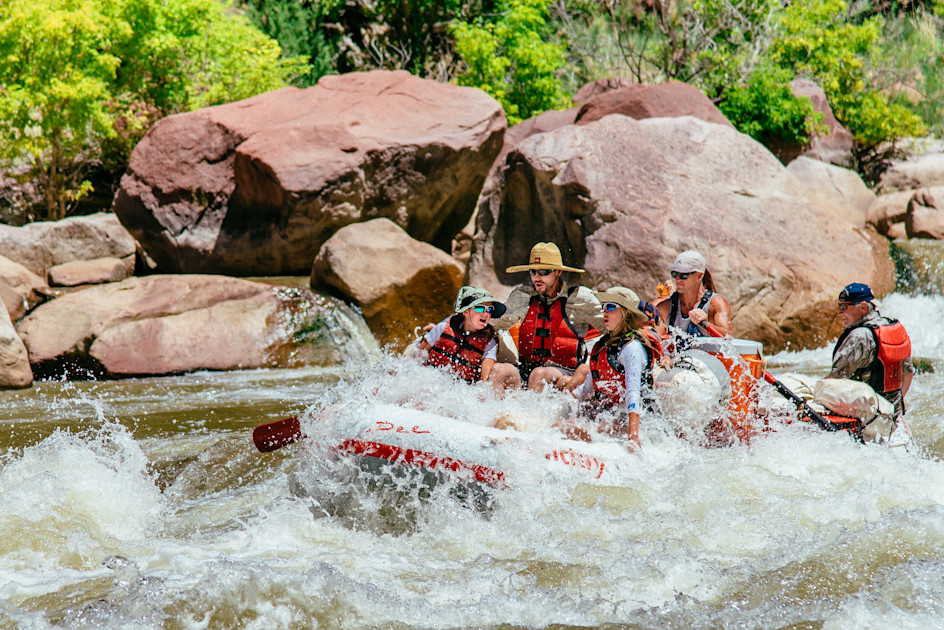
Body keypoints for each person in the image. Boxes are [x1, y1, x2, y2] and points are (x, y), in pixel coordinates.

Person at [489, 242, 605, 392]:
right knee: (498, 370)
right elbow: (495, 322)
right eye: (533, 271)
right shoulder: (523, 296)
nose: (537, 277)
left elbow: (610, 327)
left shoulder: (580, 298)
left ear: (558, 272)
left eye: (544, 271)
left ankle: (535, 416)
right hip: (526, 370)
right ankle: (498, 415)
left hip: (565, 374)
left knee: (539, 374)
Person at [568, 287, 662, 452]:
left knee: (579, 428)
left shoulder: (632, 348)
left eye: (611, 307)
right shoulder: (602, 346)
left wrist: (633, 438)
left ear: (626, 313)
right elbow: (585, 390)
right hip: (611, 416)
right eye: (603, 306)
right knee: (563, 425)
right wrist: (559, 401)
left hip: (641, 422)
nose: (604, 312)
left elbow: (633, 394)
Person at [828, 282, 914, 418]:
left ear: (862, 307)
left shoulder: (859, 337)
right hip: (893, 414)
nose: (840, 312)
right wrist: (894, 406)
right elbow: (908, 373)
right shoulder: (894, 328)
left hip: (866, 417)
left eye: (844, 306)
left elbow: (834, 382)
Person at [416, 286, 507, 388]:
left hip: (460, 391)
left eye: (489, 309)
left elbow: (484, 382)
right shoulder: (442, 328)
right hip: (429, 383)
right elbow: (416, 359)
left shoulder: (490, 343)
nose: (485, 313)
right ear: (465, 312)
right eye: (480, 307)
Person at [656, 250, 733, 339]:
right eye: (675, 273)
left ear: (699, 276)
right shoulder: (665, 307)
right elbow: (654, 336)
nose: (677, 279)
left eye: (683, 275)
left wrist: (705, 324)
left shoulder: (716, 303)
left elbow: (729, 336)